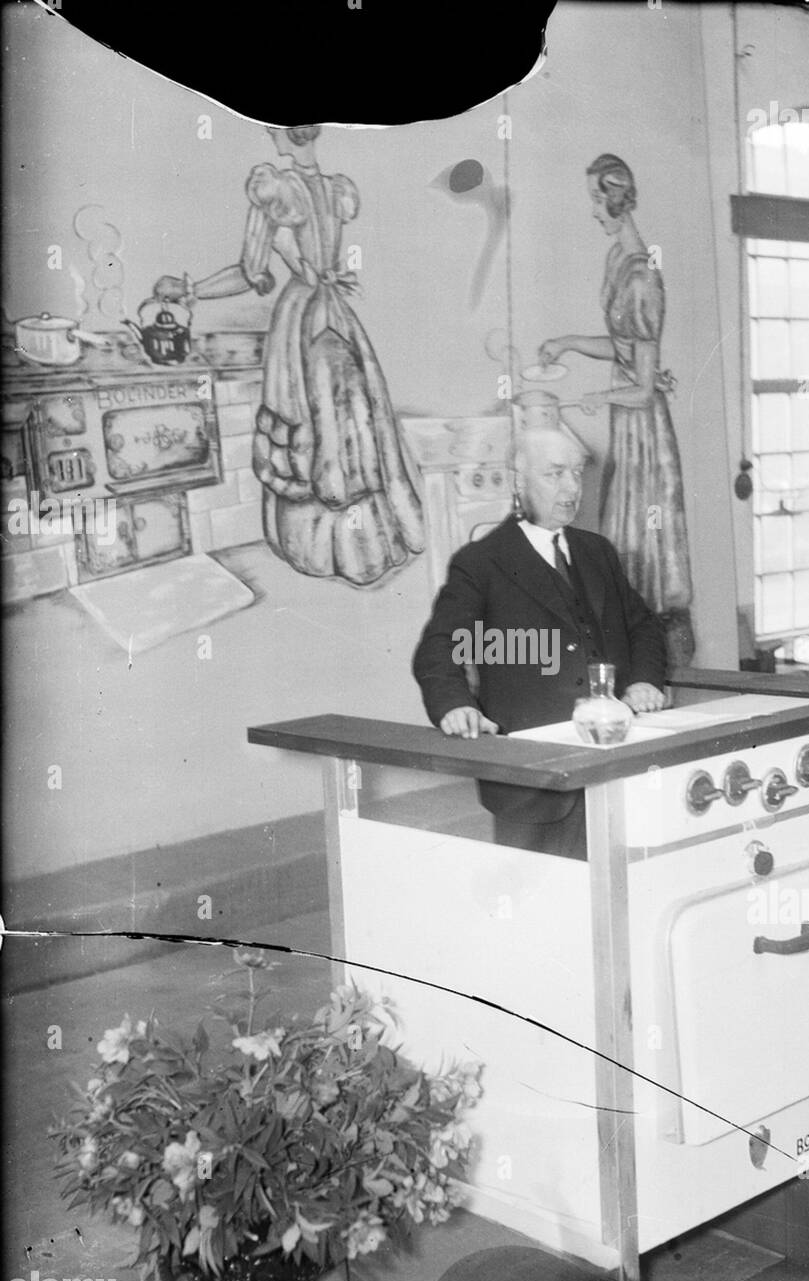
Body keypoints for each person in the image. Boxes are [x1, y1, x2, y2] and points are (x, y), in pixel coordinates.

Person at [154, 125, 425, 585]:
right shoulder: (334, 188)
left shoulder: (276, 189)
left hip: (301, 320)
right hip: (336, 317)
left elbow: (248, 272)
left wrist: (186, 291)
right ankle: (364, 550)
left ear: (282, 132)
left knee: (309, 426)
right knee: (348, 428)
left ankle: (320, 552)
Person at [412, 428, 667, 859]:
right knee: (537, 906)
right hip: (533, 779)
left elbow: (642, 626)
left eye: (577, 474)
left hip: (616, 765)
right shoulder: (481, 562)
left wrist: (644, 680)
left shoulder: (597, 552)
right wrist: (456, 705)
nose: (571, 489)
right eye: (554, 475)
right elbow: (439, 651)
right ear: (518, 480)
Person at [537, 153, 694, 671]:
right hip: (626, 423)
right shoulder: (618, 261)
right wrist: (568, 344)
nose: (593, 211)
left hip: (644, 431)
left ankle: (653, 661)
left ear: (614, 200)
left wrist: (597, 399)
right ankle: (629, 650)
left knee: (641, 545)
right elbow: (622, 346)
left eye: (596, 200)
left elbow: (645, 386)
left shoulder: (644, 278)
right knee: (620, 538)